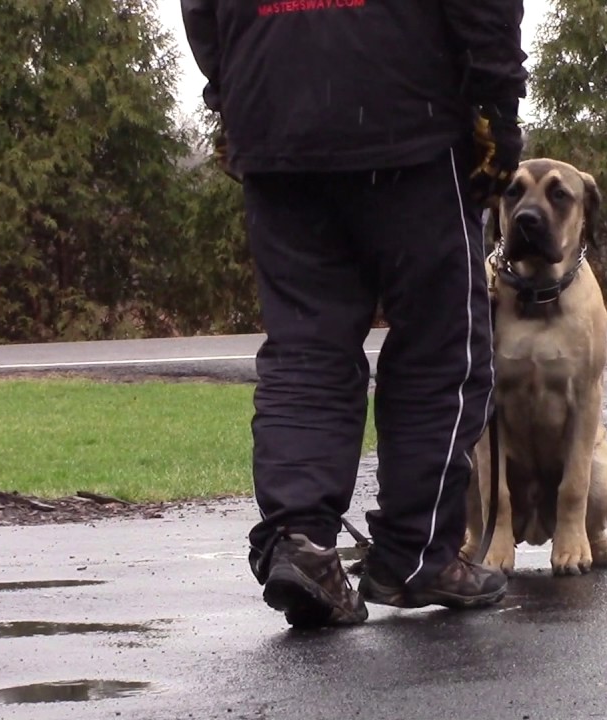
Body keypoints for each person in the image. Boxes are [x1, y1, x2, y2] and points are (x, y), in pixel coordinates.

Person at [180, 0, 528, 628]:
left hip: (275, 115)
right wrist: (499, 110)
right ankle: (415, 554)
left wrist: (229, 93)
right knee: (440, 344)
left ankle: (302, 543)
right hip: (405, 115)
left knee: (305, 344)